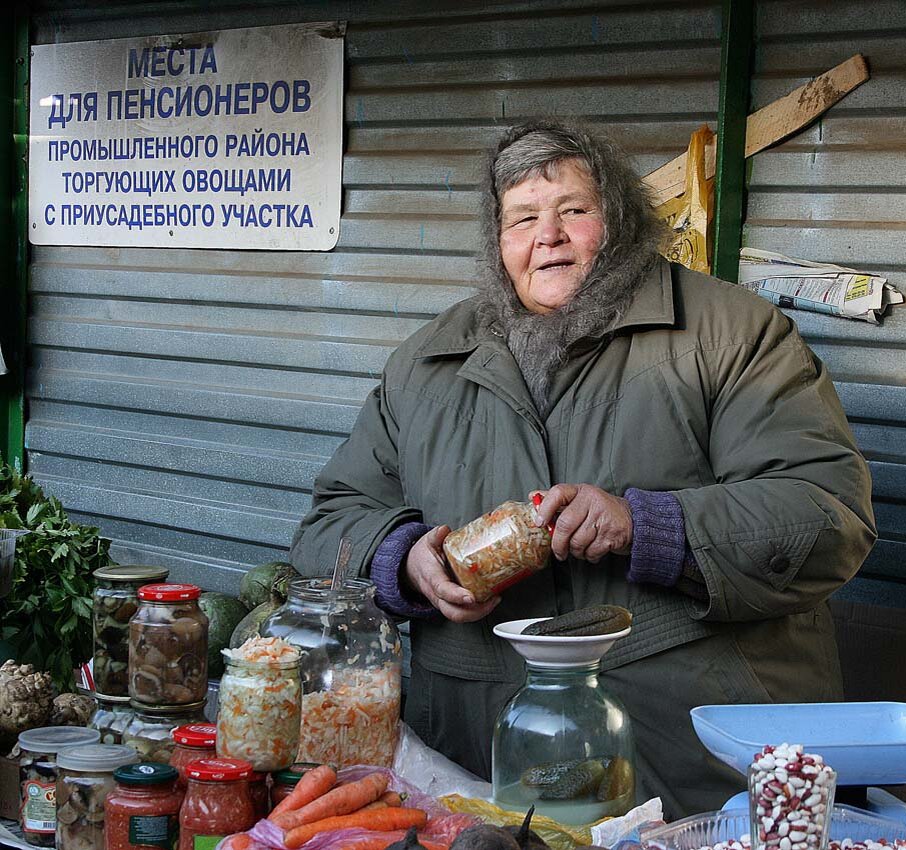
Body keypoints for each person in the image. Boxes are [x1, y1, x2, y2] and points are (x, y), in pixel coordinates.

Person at [291, 120, 876, 818]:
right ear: (497, 242)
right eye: (522, 218)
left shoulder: (730, 334)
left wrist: (647, 526)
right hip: (481, 777)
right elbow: (329, 524)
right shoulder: (425, 365)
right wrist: (408, 559)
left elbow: (828, 515)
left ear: (620, 219)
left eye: (573, 210)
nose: (549, 236)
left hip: (685, 774)